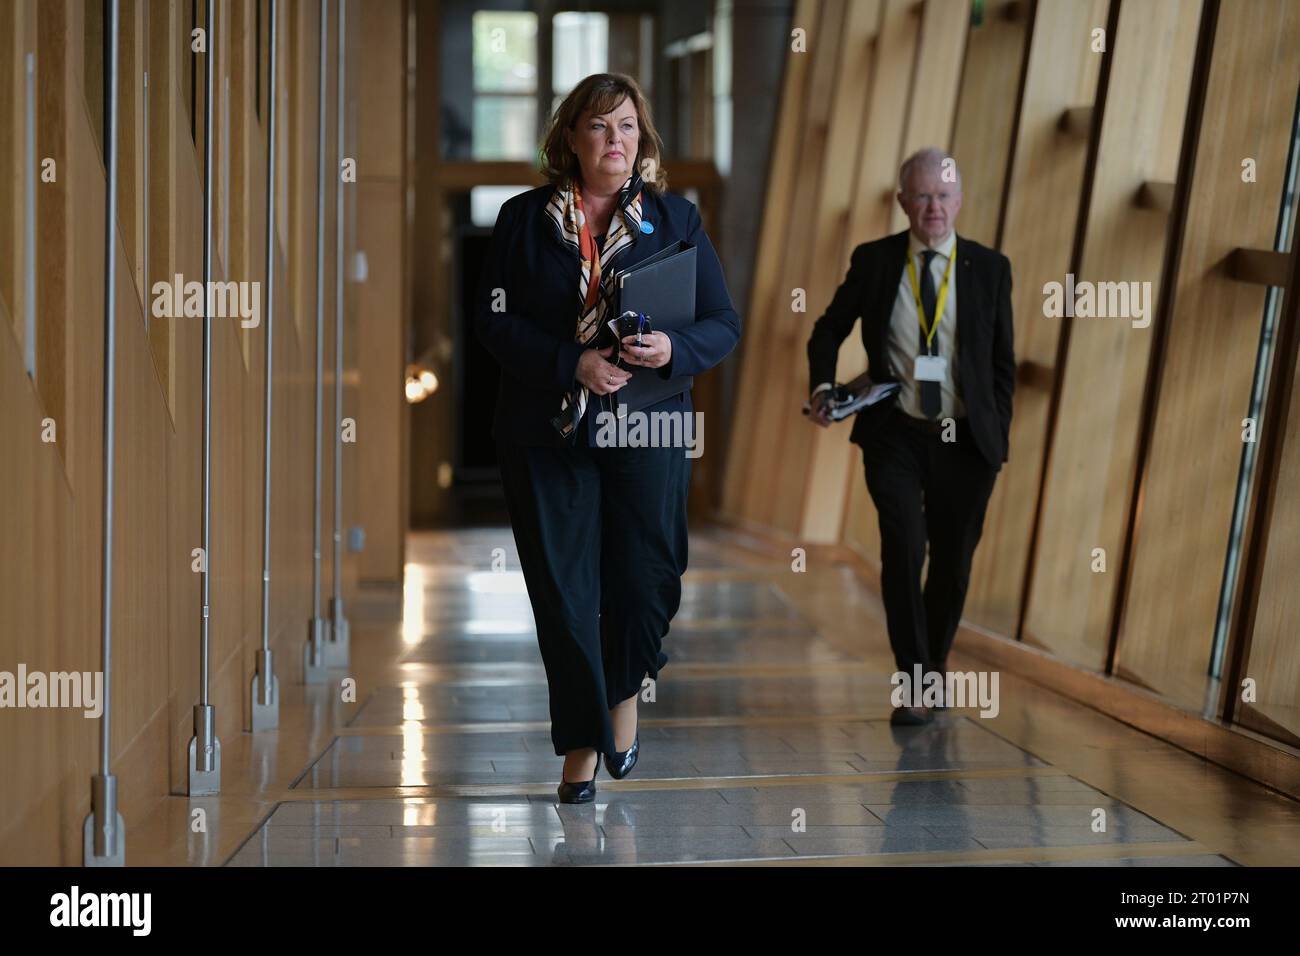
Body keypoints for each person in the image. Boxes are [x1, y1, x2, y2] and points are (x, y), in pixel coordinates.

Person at [474, 73, 741, 801]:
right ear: (571, 138)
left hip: (648, 423)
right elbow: (493, 320)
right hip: (546, 431)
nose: (613, 139)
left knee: (648, 579)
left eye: (625, 126)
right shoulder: (523, 220)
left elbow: (722, 322)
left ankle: (623, 690)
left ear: (641, 139)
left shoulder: (676, 219)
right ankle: (583, 743)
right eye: (597, 126)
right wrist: (573, 362)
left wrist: (674, 350)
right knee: (565, 596)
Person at [805, 147, 1014, 726]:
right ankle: (916, 681)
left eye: (943, 196)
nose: (933, 207)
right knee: (903, 549)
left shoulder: (990, 269)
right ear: (903, 202)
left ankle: (933, 665)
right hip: (894, 432)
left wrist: (997, 432)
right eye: (922, 196)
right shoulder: (874, 261)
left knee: (952, 562)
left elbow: (1002, 364)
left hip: (965, 439)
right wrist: (823, 386)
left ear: (960, 201)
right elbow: (827, 329)